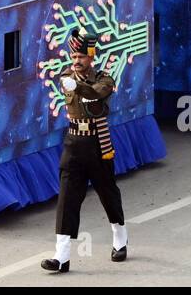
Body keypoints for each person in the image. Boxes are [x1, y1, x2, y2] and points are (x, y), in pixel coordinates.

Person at [41, 31, 127, 274]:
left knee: (107, 192)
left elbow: (95, 93)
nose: (76, 60)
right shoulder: (66, 76)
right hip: (73, 142)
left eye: (81, 56)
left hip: (98, 143)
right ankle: (61, 257)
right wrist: (73, 82)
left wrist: (77, 85)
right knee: (67, 197)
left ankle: (120, 237)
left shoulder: (105, 79)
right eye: (74, 55)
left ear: (91, 57)